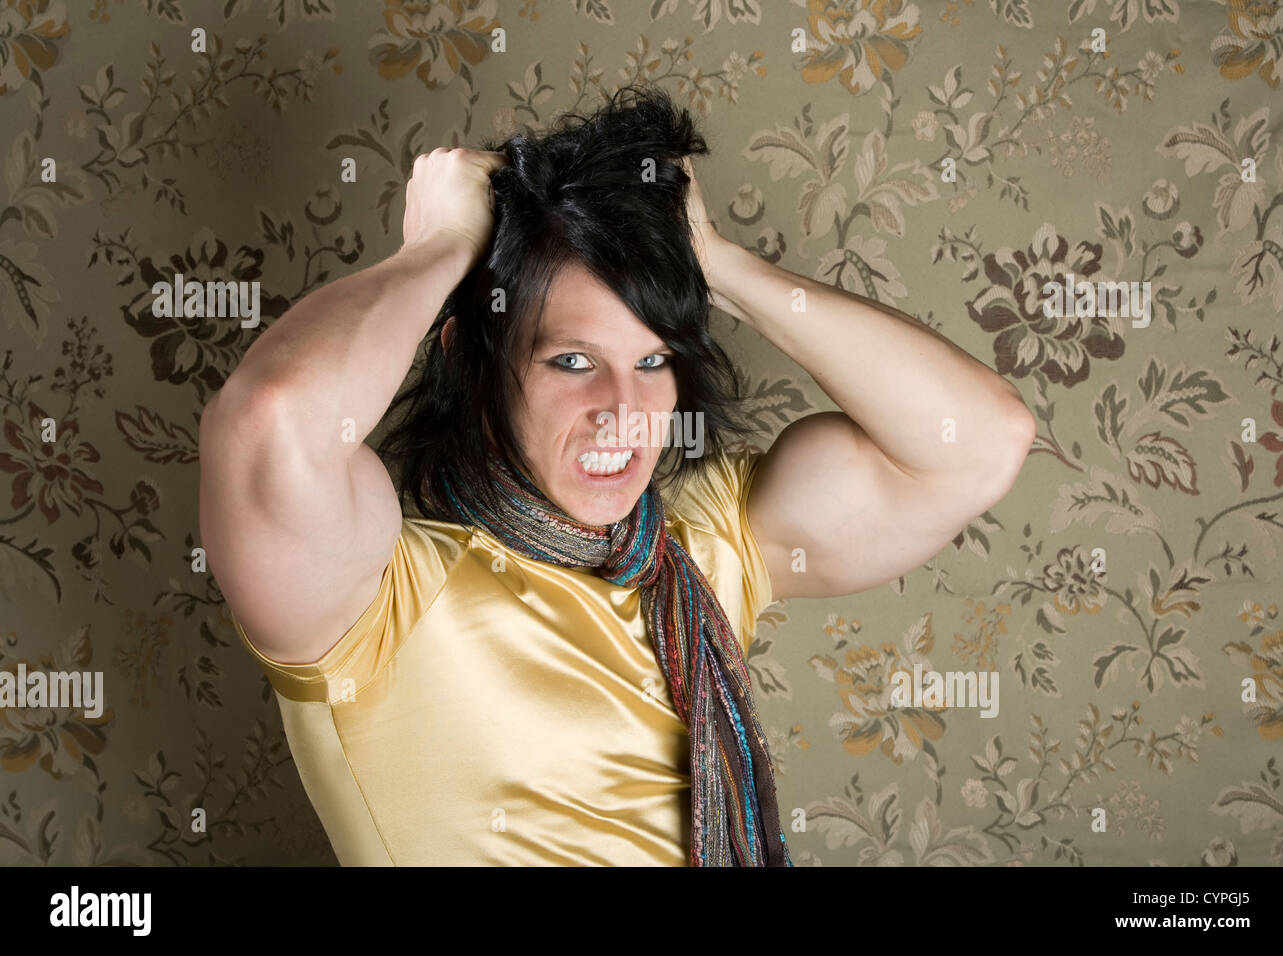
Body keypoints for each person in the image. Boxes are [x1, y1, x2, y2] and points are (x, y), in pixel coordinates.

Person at [198, 85, 1034, 867]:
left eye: (652, 360)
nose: (623, 409)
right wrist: (444, 247)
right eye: (572, 360)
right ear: (474, 363)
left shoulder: (705, 547)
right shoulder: (373, 600)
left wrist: (715, 262)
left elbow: (977, 441)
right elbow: (275, 422)